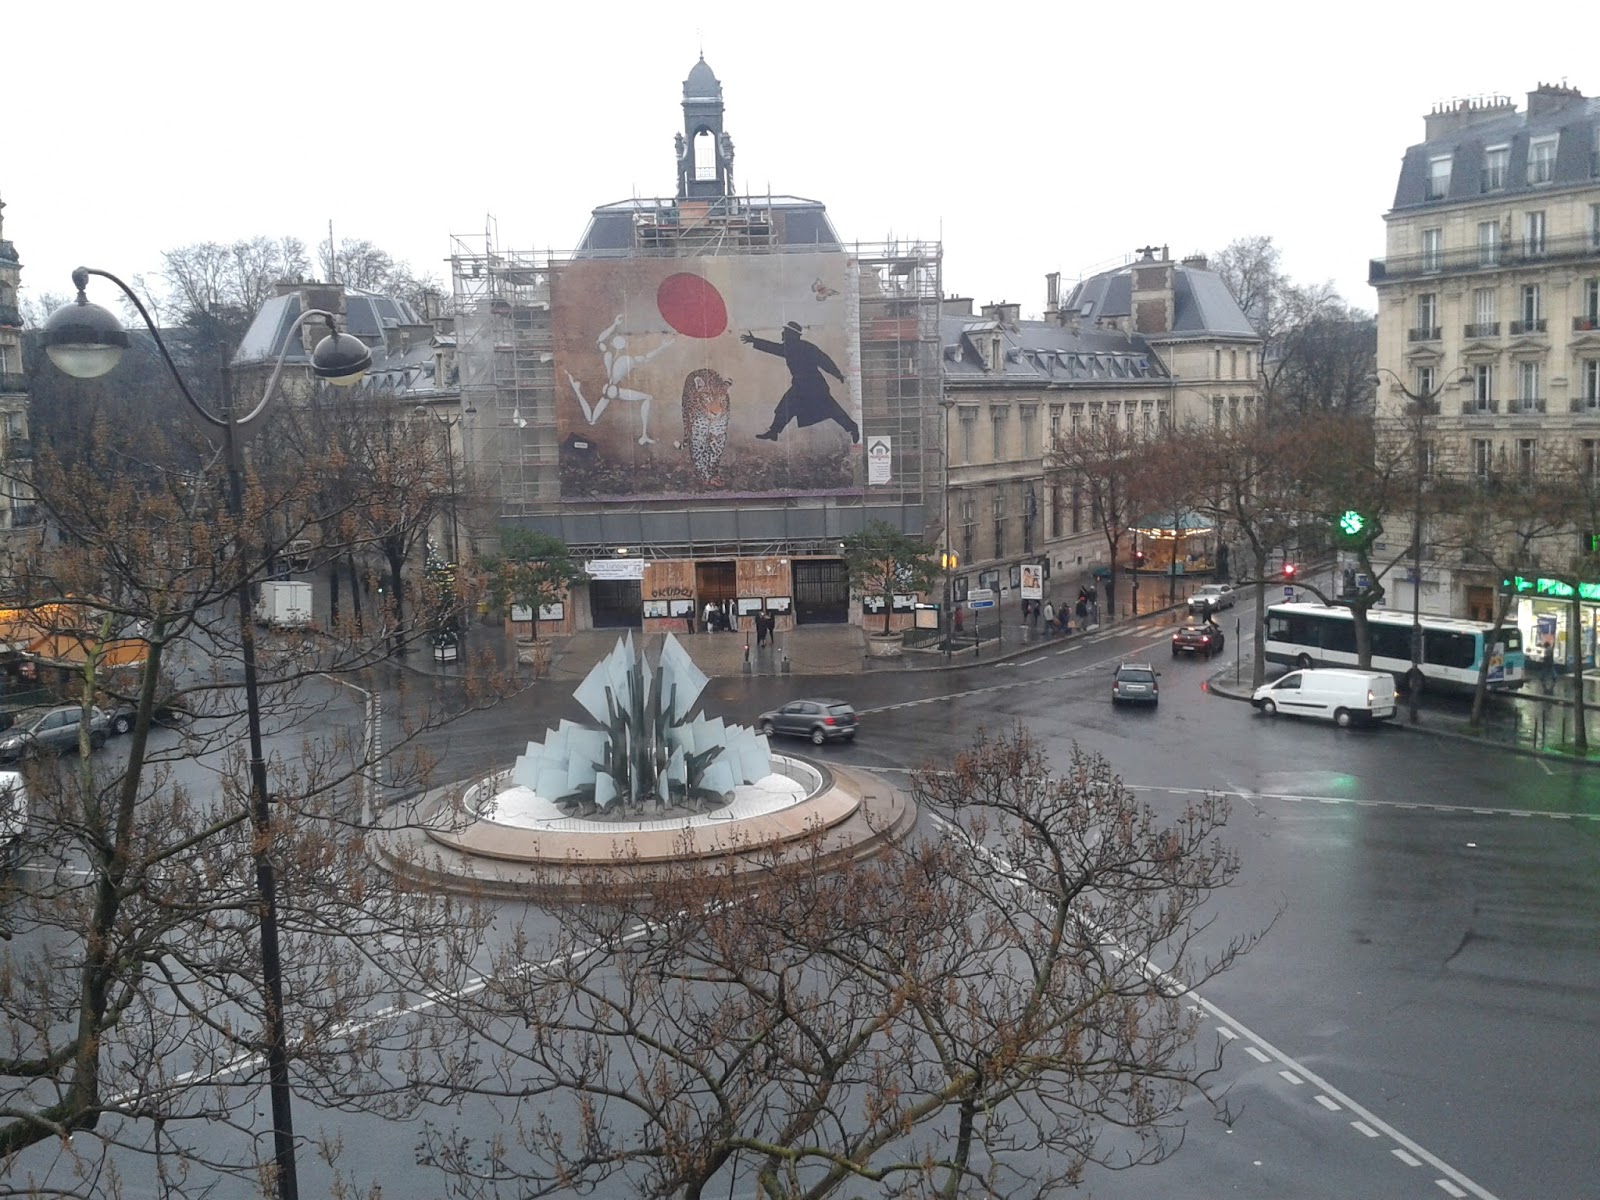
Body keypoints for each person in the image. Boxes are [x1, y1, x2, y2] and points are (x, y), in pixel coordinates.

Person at [741, 322, 860, 444]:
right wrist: (754, 341)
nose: (782, 334)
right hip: (801, 385)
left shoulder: (801, 347)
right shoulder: (794, 347)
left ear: (791, 335)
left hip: (814, 386)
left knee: (831, 409)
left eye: (785, 332)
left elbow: (824, 360)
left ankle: (852, 427)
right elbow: (774, 348)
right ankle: (774, 432)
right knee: (786, 407)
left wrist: (837, 374)